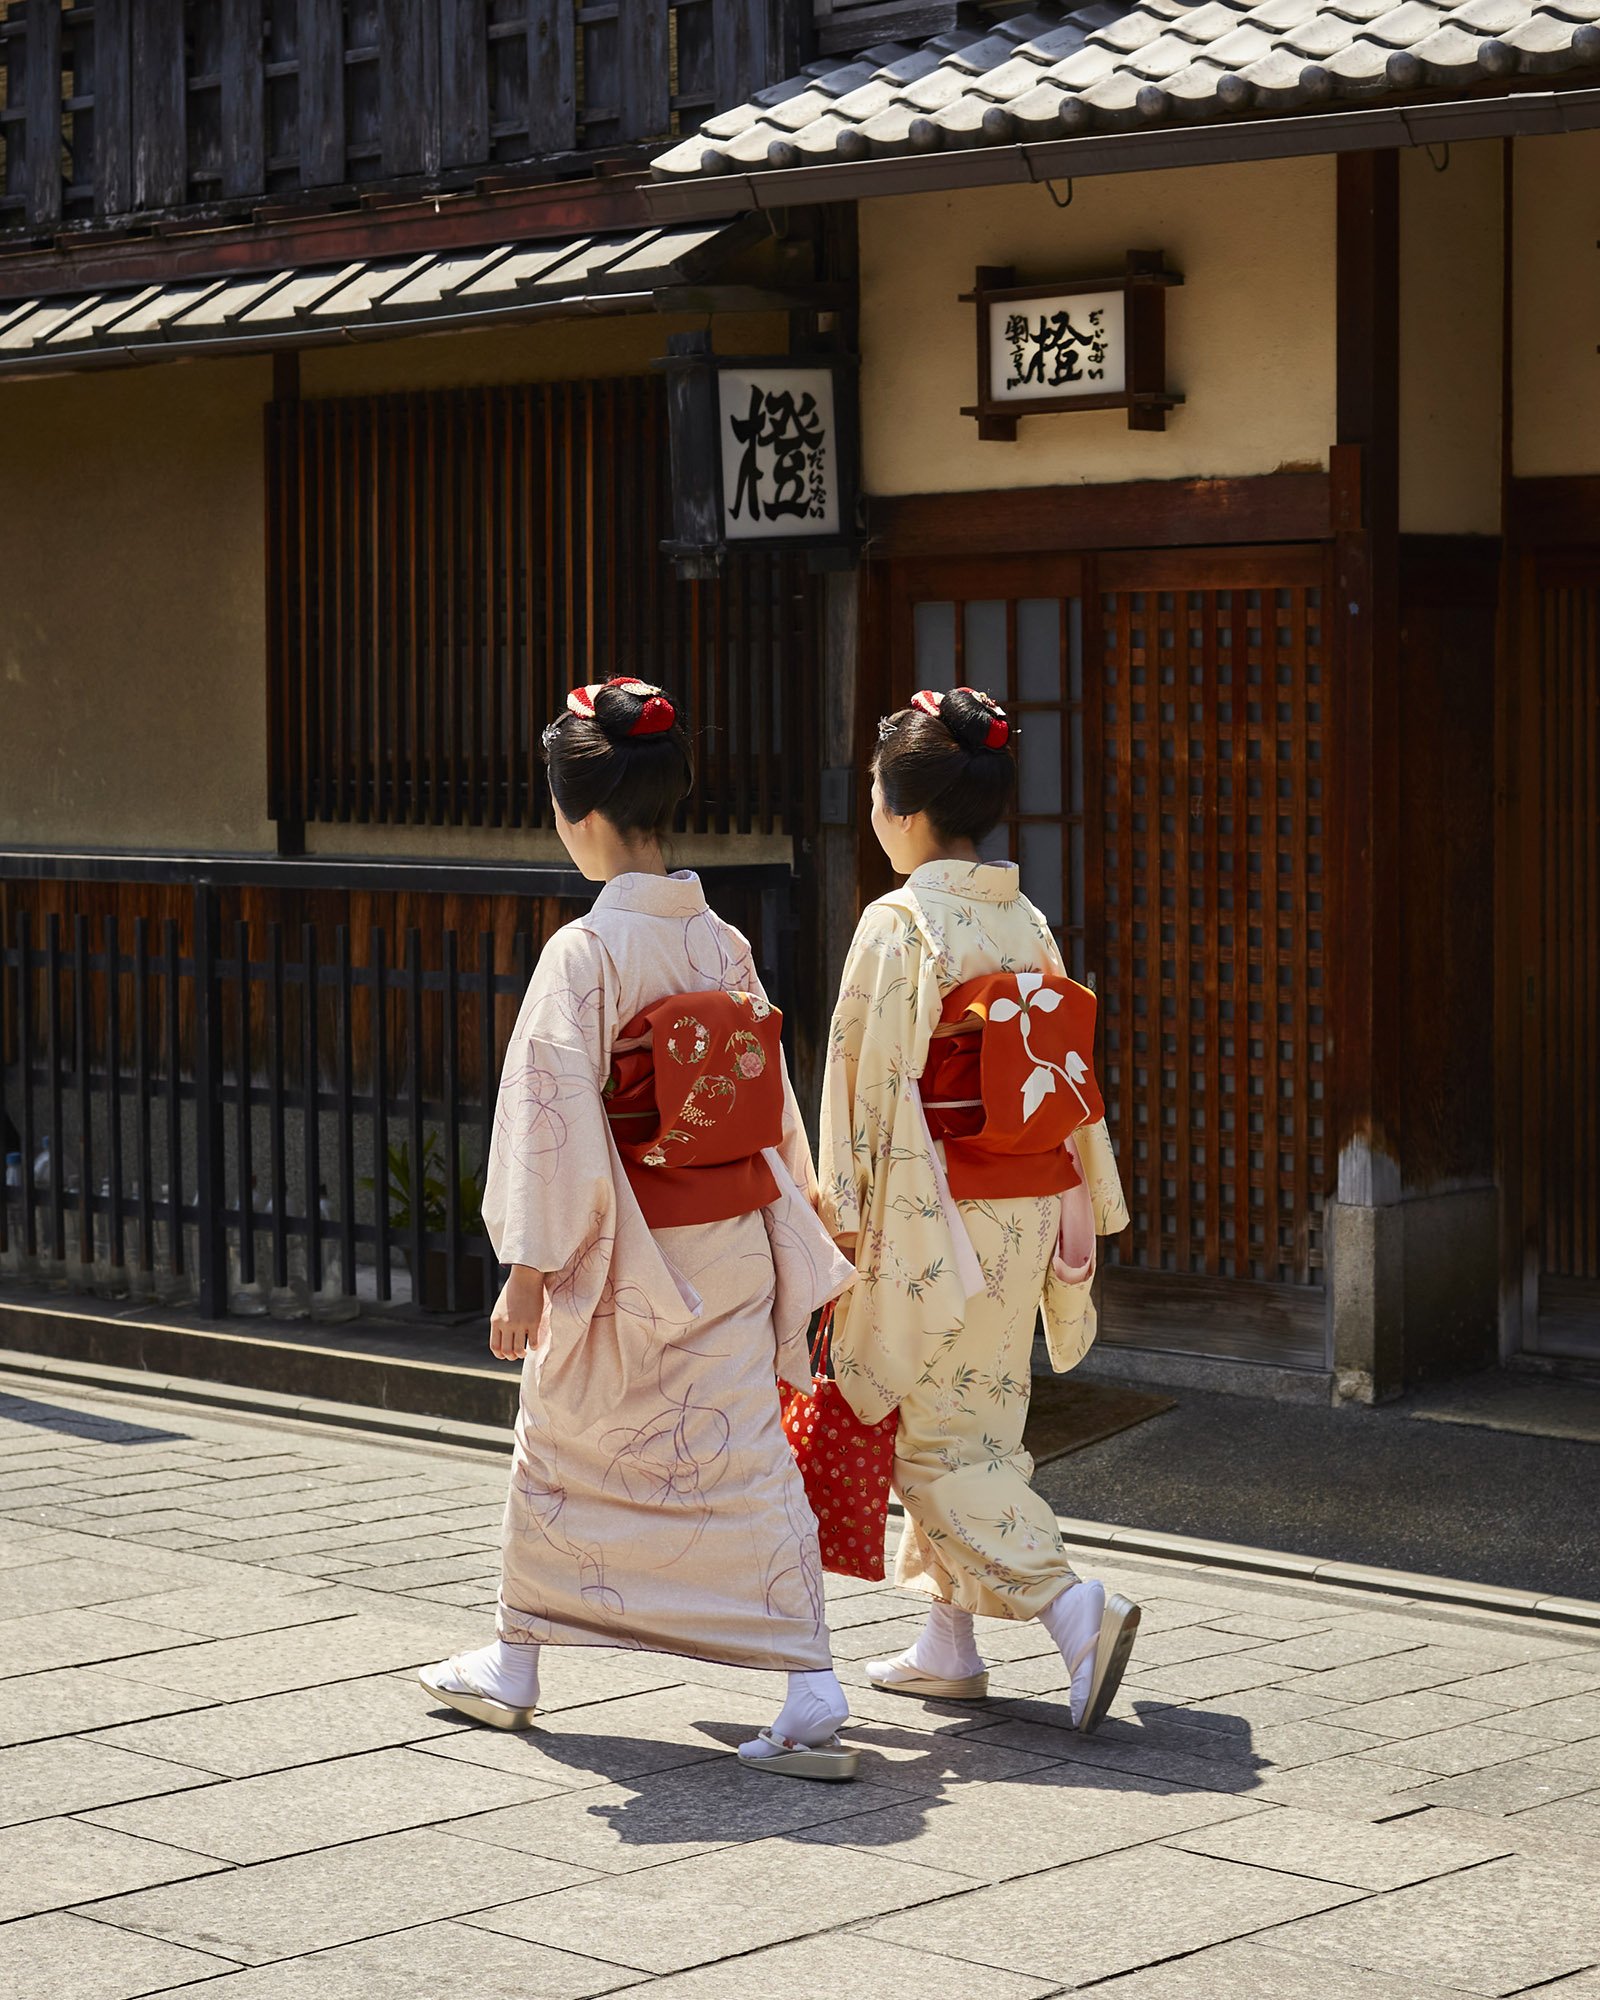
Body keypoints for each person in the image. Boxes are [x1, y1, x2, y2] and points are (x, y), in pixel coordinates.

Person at [421, 676, 857, 1780]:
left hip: (619, 1253)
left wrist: (526, 1270)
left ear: (575, 815)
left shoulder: (587, 952)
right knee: (745, 1458)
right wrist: (794, 1228)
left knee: (559, 1447)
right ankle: (808, 1682)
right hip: (726, 1241)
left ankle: (520, 1661)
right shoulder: (721, 943)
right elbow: (769, 1112)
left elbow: (552, 1121)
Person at [818, 685, 1139, 1734]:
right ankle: (946, 1643)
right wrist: (1082, 1197)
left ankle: (1069, 1604)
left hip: (935, 1211)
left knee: (931, 1441)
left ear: (902, 809)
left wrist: (842, 1213)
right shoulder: (1023, 916)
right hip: (1025, 1199)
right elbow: (1066, 1072)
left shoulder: (900, 920)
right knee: (977, 1415)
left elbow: (864, 1083)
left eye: (874, 788)